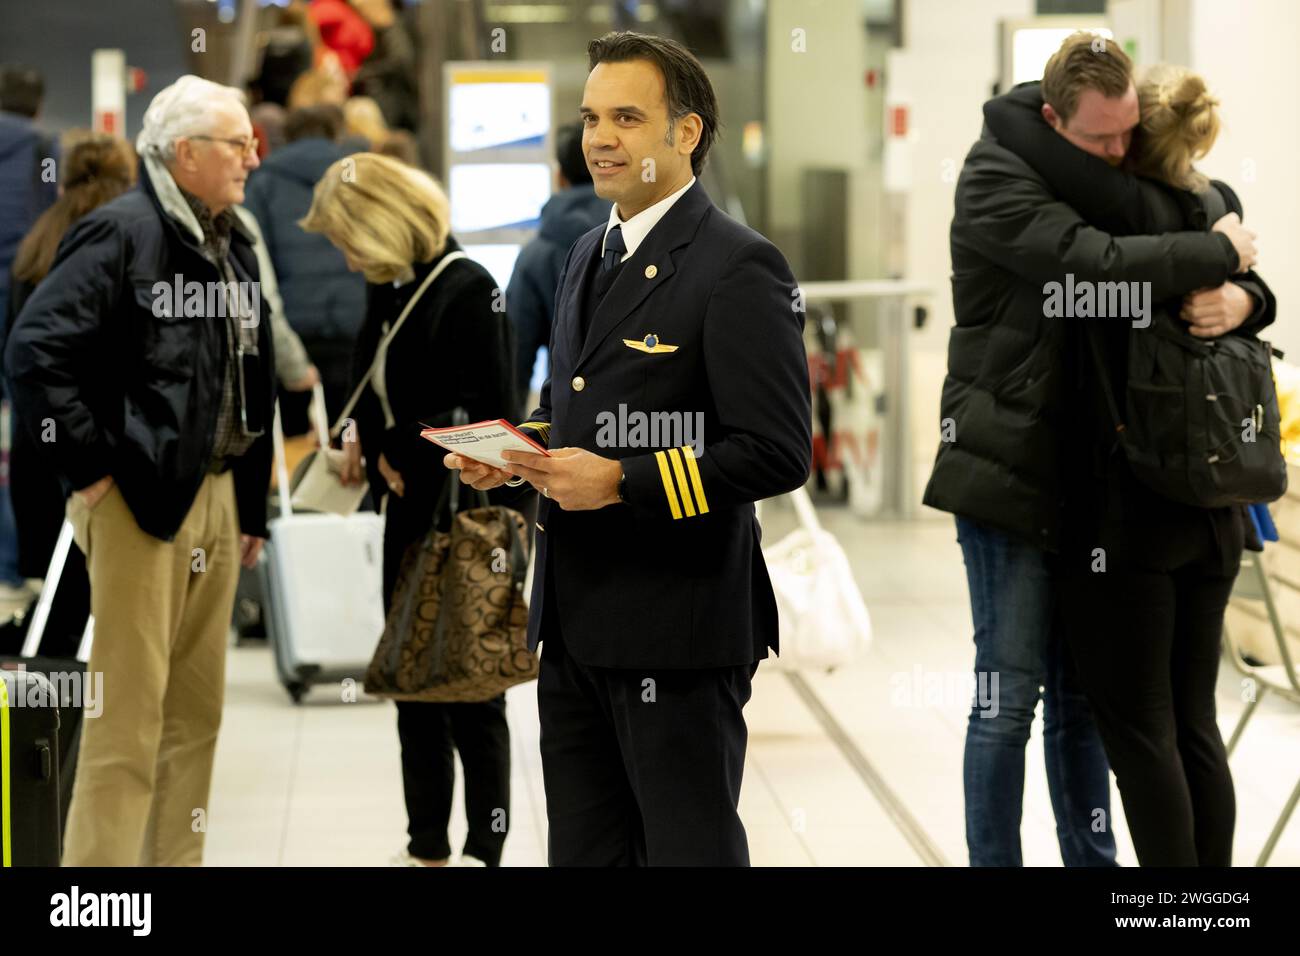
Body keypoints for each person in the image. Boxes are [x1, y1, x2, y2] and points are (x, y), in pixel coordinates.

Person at [445, 31, 812, 866]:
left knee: (688, 848)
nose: (600, 138)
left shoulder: (739, 267)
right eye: (590, 118)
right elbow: (569, 412)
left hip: (678, 627)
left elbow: (775, 450)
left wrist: (621, 482)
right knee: (585, 851)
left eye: (626, 118)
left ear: (686, 134)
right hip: (573, 623)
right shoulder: (587, 251)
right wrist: (514, 456)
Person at [921, 33, 1259, 867]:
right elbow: (1093, 266)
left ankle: (1096, 866)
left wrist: (1248, 295)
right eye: (1100, 139)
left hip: (1096, 490)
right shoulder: (996, 176)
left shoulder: (1116, 177)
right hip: (1010, 473)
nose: (1117, 154)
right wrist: (1223, 253)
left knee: (1087, 704)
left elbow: (1181, 223)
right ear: (1050, 118)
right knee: (1008, 701)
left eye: (1127, 136)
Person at [4, 75, 275, 866]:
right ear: (184, 152)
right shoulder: (123, 233)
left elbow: (244, 376)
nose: (253, 158)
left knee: (197, 715)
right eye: (237, 143)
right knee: (127, 717)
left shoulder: (237, 240)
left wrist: (251, 505)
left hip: (217, 496)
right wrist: (92, 471)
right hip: (138, 500)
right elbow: (33, 352)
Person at [300, 152, 517, 868]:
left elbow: (492, 421)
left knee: (470, 691)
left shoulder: (467, 290)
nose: (344, 254)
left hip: (463, 520)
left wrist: (399, 442)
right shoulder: (390, 288)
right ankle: (426, 847)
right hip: (408, 516)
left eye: (348, 237)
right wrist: (361, 434)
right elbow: (373, 387)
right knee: (411, 681)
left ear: (386, 222)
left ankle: (486, 850)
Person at [5, 133, 136, 656]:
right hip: (100, 439)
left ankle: (56, 708)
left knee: (56, 584)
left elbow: (18, 344)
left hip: (39, 435)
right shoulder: (124, 238)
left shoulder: (38, 239)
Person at [243, 104, 363, 425]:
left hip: (294, 328)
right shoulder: (357, 175)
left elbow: (255, 261)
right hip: (355, 325)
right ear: (335, 134)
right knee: (351, 431)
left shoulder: (263, 183)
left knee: (296, 435)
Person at [0, 64, 59, 603]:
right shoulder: (43, 146)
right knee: (25, 430)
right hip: (20, 300)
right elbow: (49, 217)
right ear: (37, 105)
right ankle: (16, 563)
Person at [506, 121, 610, 417]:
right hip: (643, 430)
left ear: (559, 176)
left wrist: (512, 445)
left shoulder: (534, 256)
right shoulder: (644, 238)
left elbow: (516, 357)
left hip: (569, 417)